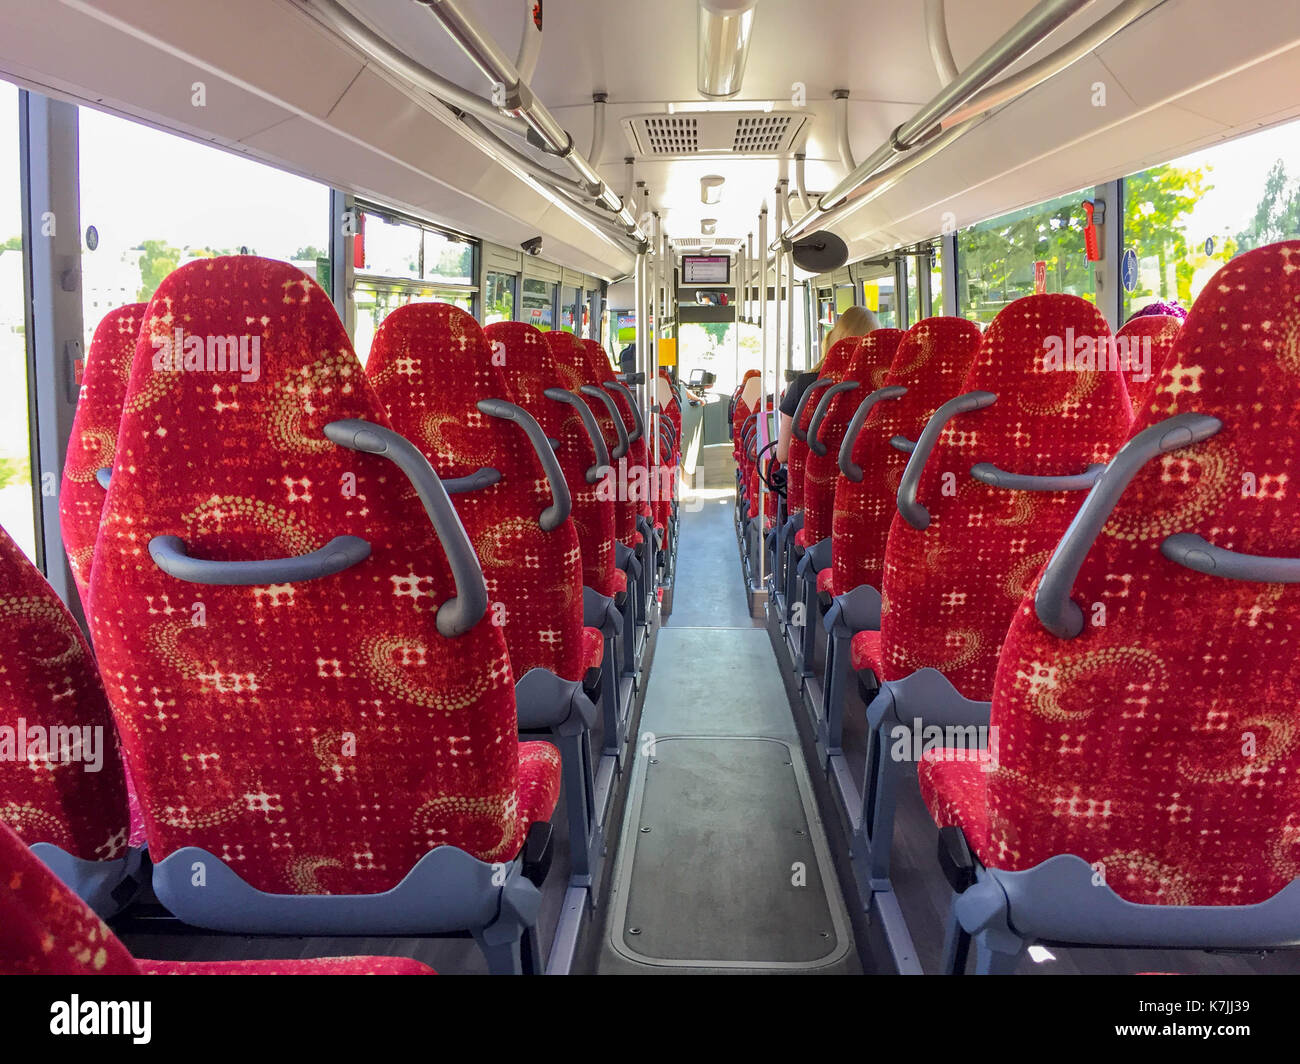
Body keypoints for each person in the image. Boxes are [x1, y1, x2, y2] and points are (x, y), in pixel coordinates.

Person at [776, 305, 879, 463]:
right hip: (868, 478)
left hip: (811, 482)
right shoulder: (886, 388)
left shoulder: (805, 385)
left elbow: (783, 454)